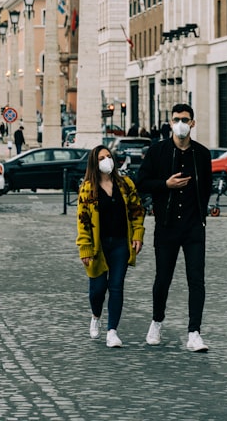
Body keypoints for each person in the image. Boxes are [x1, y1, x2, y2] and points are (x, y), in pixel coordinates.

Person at [136, 102, 213, 352]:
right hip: (166, 226)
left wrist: (201, 215)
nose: (181, 123)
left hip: (193, 227)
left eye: (185, 119)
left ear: (192, 123)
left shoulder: (202, 154)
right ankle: (157, 321)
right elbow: (142, 182)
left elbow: (207, 187)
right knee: (163, 279)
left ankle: (194, 333)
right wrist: (165, 185)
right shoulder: (157, 151)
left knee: (197, 280)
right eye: (177, 118)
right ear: (171, 122)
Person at [76, 145, 146, 348]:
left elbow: (137, 211)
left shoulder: (125, 184)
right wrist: (85, 248)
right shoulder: (88, 188)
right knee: (97, 290)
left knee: (116, 287)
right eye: (101, 158)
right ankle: (96, 315)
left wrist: (137, 235)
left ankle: (112, 331)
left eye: (108, 156)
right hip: (98, 246)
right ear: (94, 163)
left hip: (120, 244)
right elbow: (83, 221)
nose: (106, 160)